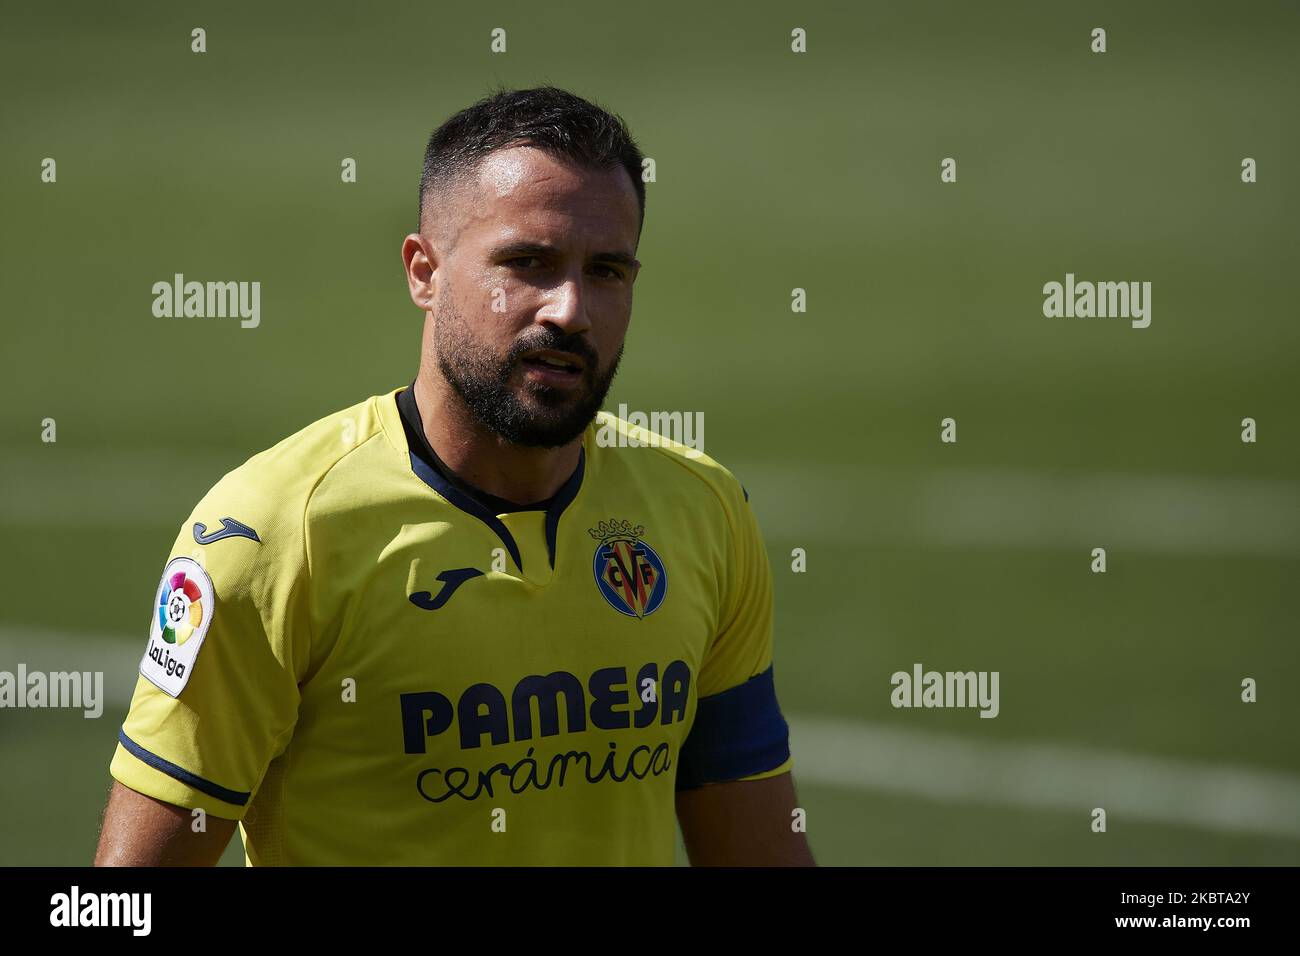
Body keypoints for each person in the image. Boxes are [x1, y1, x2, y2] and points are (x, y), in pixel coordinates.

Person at [94, 86, 813, 866]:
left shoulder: (700, 511)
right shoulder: (273, 536)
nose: (570, 310)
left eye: (606, 271)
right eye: (527, 263)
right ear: (424, 272)